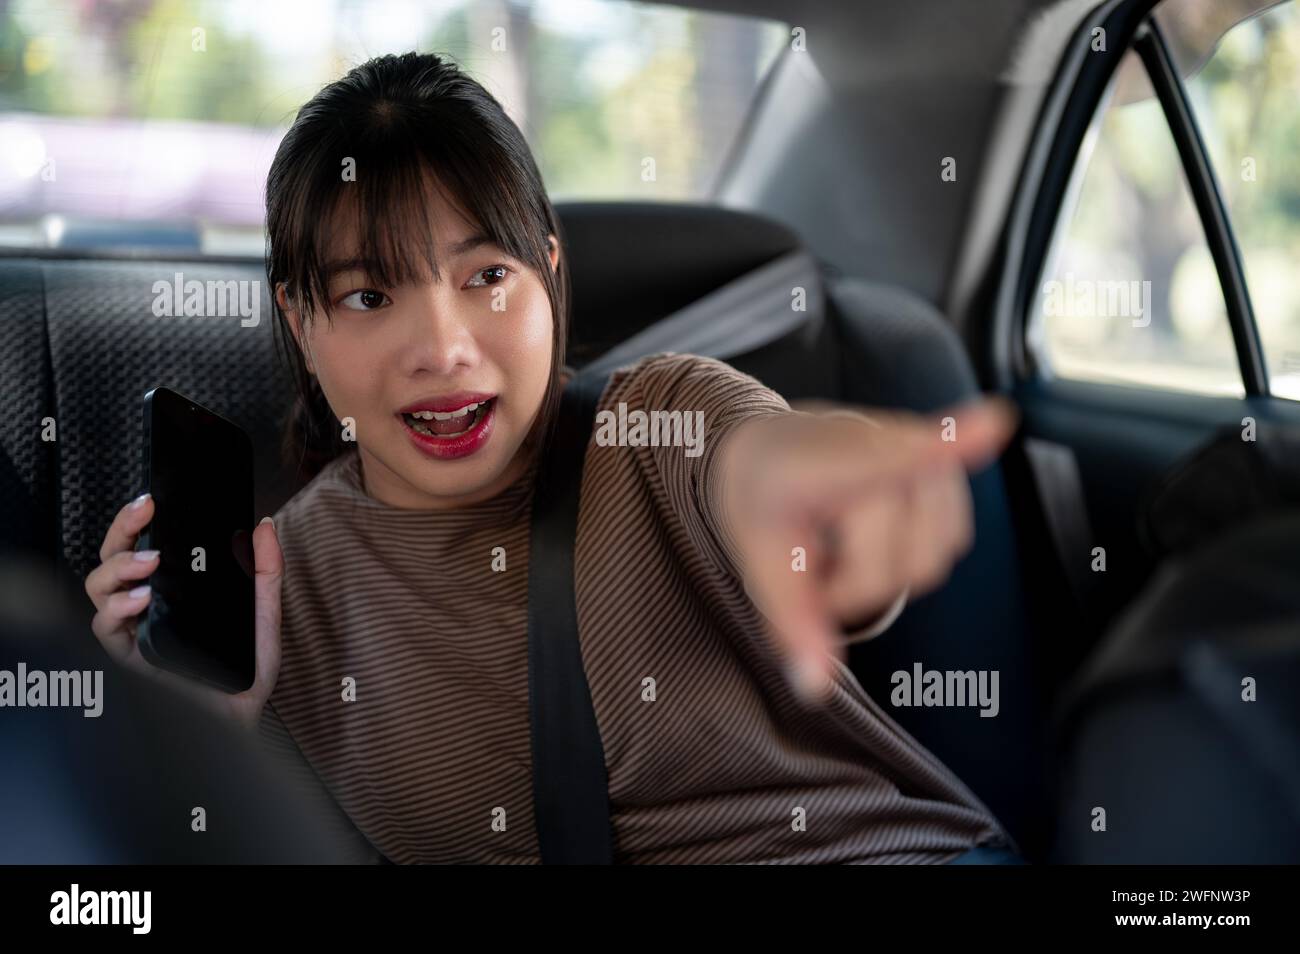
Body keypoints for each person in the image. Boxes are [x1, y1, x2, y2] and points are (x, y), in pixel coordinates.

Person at [85, 52, 1020, 864]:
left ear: (549, 269)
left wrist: (821, 497)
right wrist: (201, 746)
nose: (443, 348)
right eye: (370, 297)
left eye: (487, 276)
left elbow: (761, 456)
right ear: (301, 321)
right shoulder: (274, 597)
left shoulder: (659, 420)